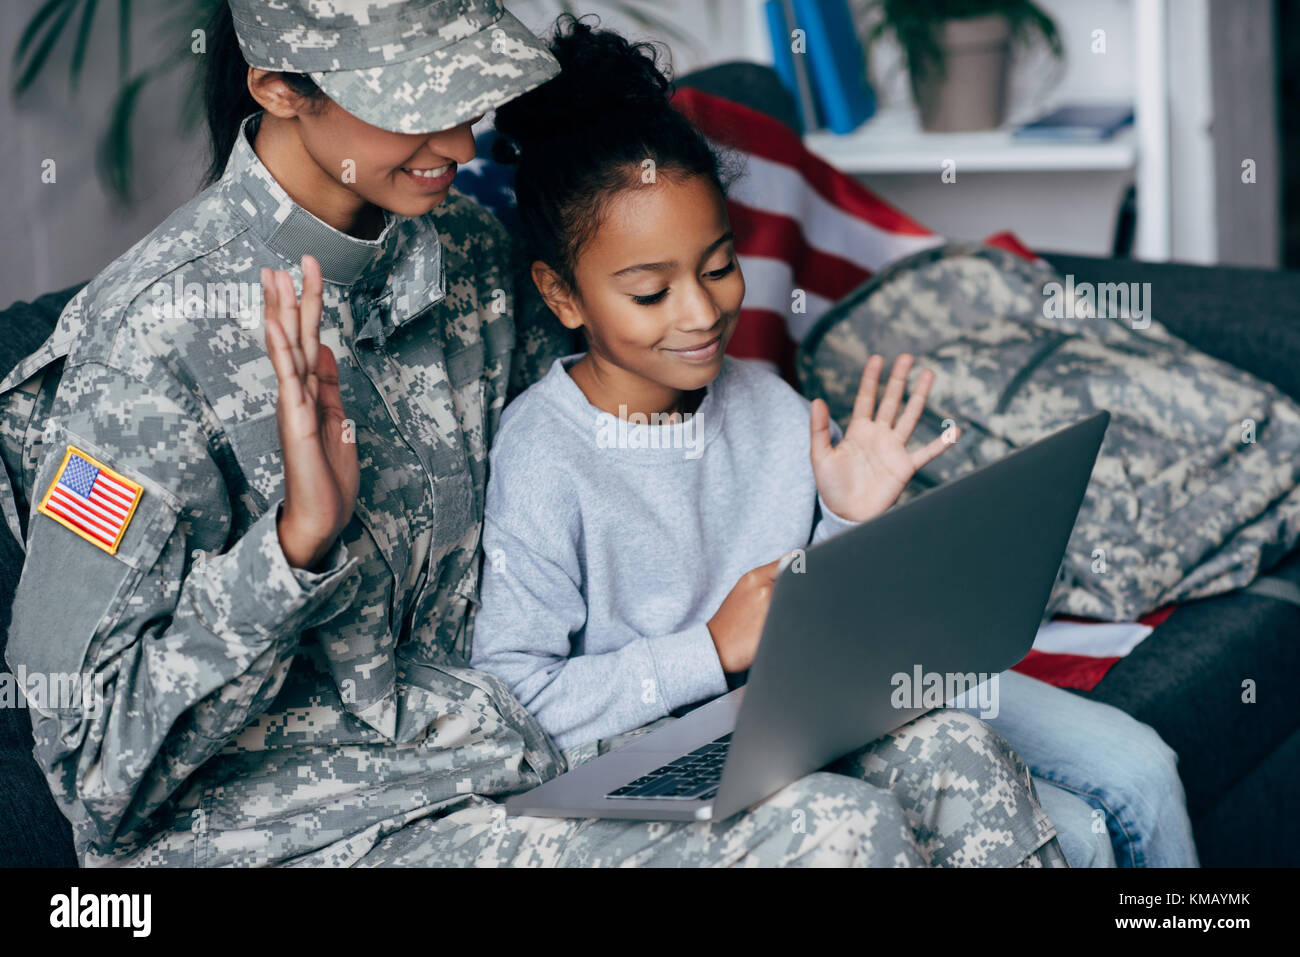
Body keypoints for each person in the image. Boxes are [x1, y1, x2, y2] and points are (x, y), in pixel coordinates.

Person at [0, 0, 1062, 867]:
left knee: (953, 757)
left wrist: (831, 533)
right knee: (833, 834)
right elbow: (93, 778)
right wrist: (291, 551)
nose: (460, 144)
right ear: (280, 91)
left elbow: (618, 481)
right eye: (415, 104)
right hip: (297, 833)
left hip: (511, 749)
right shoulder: (144, 348)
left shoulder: (462, 249)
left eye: (464, 100)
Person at [471, 14, 1198, 869]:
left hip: (812, 709)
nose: (702, 313)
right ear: (563, 296)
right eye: (649, 292)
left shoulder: (769, 406)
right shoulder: (543, 454)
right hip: (664, 751)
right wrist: (707, 648)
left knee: (1087, 769)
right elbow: (518, 703)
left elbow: (828, 626)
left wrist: (852, 520)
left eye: (716, 266)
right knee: (1062, 826)